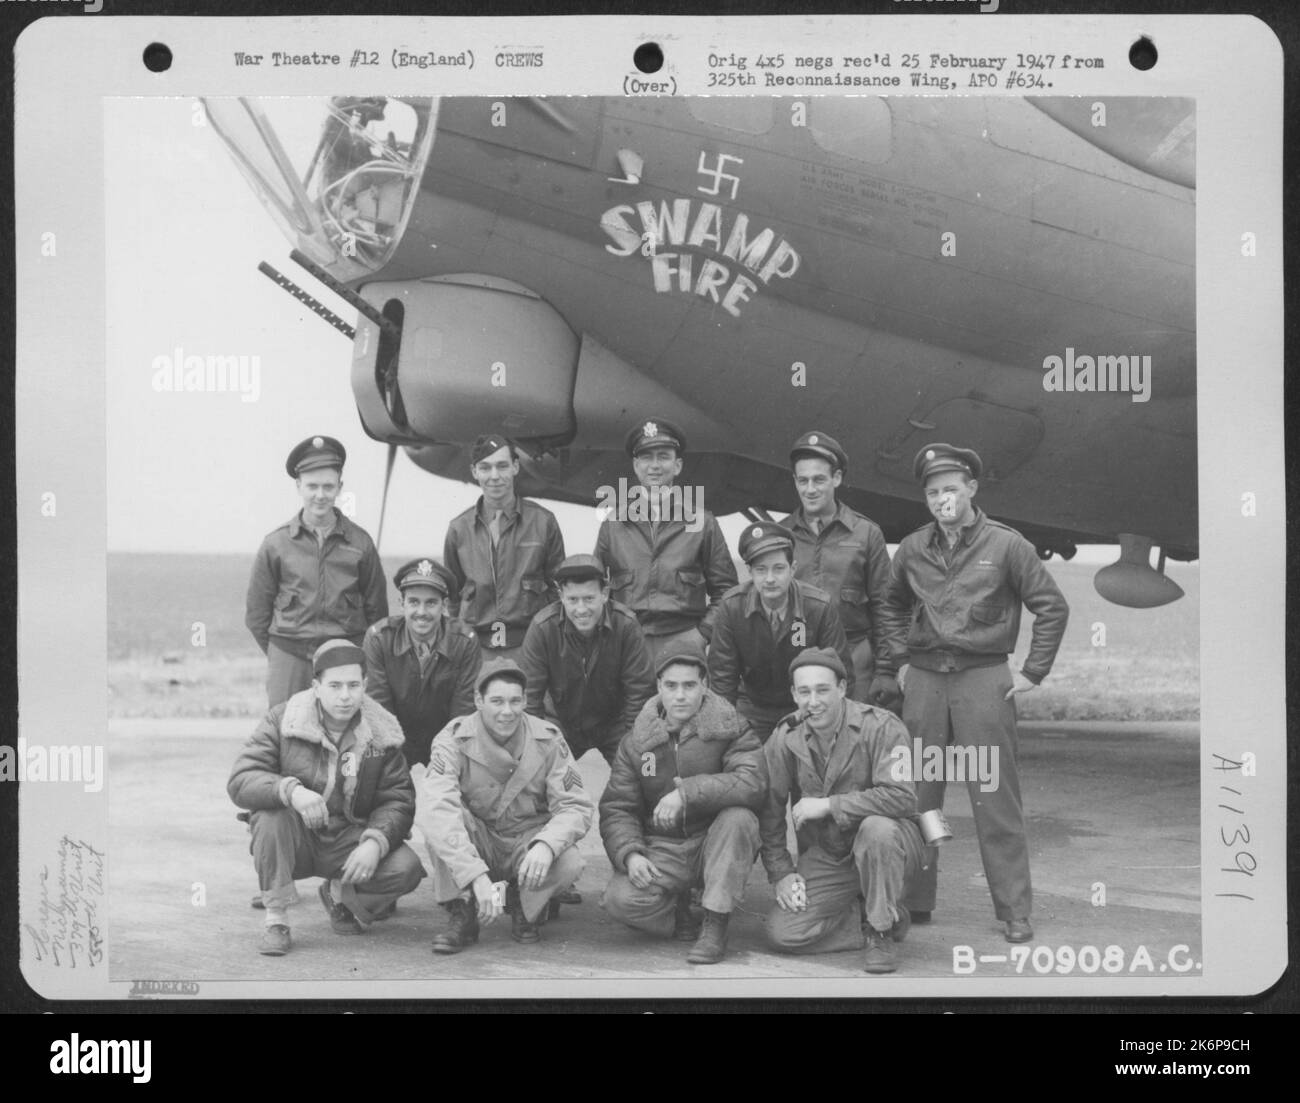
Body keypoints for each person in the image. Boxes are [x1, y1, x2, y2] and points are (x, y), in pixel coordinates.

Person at [879, 444, 1069, 944]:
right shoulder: (914, 547)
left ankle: (1013, 910)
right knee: (918, 793)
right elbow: (891, 605)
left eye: (951, 489)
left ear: (971, 490)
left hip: (983, 678)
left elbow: (1051, 606)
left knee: (993, 796)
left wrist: (1032, 673)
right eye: (933, 491)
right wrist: (900, 661)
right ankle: (915, 900)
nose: (943, 498)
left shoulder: (1007, 546)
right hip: (923, 679)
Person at [228, 640, 424, 956]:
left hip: (349, 838)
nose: (345, 696)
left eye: (353, 685)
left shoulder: (382, 733)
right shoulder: (283, 720)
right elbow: (241, 779)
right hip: (298, 839)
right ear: (316, 687)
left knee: (406, 867)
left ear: (365, 685)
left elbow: (398, 799)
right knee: (268, 817)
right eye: (334, 685)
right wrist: (292, 791)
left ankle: (340, 894)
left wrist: (375, 843)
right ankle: (276, 919)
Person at [599, 640, 764, 965]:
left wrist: (687, 793)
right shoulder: (636, 741)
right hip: (665, 847)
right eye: (671, 685)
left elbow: (752, 782)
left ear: (704, 685)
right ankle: (680, 911)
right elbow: (618, 807)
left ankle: (715, 923)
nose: (680, 694)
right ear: (659, 686)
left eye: (689, 685)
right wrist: (630, 854)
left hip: (713, 843)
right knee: (618, 901)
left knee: (740, 817)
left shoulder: (731, 728)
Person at [761, 648, 924, 974]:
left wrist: (829, 805)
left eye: (822, 689)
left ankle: (880, 931)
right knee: (783, 933)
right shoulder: (786, 735)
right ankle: (870, 917)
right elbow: (769, 808)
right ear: (793, 694)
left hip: (890, 845)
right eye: (804, 691)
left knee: (876, 829)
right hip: (832, 853)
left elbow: (903, 797)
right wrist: (781, 873)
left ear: (842, 688)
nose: (813, 701)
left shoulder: (883, 727)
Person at [419, 658, 594, 953]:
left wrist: (546, 846)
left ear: (526, 700)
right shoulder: (453, 738)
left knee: (569, 860)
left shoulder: (548, 739)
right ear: (478, 700)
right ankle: (463, 910)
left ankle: (526, 907)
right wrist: (474, 874)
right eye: (497, 701)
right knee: (442, 826)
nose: (507, 711)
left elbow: (575, 805)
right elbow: (436, 807)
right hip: (480, 838)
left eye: (515, 701)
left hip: (526, 841)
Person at [245, 436, 388, 707]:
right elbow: (256, 615)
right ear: (299, 486)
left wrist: (354, 658)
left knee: (344, 737)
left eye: (328, 486)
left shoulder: (360, 543)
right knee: (286, 734)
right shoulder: (275, 544)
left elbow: (377, 615)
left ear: (340, 487)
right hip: (290, 656)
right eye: (312, 486)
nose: (320, 495)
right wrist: (281, 655)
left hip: (343, 658)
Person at [594, 416, 737, 670]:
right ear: (636, 466)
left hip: (683, 639)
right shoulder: (613, 524)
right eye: (647, 458)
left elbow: (726, 591)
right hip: (626, 641)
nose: (655, 466)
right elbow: (595, 588)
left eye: (663, 456)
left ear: (678, 465)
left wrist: (702, 634)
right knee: (630, 710)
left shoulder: (702, 523)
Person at [707, 520, 855, 741]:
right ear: (749, 571)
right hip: (751, 708)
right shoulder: (731, 607)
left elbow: (842, 673)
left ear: (793, 568)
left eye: (778, 569)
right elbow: (722, 680)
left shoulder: (818, 607)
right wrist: (725, 734)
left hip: (805, 706)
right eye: (760, 570)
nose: (769, 579)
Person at [780, 431, 897, 709]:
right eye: (803, 480)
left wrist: (886, 670)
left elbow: (885, 607)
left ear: (837, 478)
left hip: (855, 656)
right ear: (795, 482)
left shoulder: (866, 533)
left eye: (819, 479)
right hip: (797, 655)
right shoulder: (781, 535)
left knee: (856, 740)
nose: (810, 489)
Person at [519, 554, 655, 768]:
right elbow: (530, 697)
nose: (581, 609)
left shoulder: (626, 625)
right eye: (573, 600)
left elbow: (639, 693)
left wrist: (634, 747)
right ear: (561, 596)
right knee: (532, 775)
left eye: (589, 599)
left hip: (615, 725)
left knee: (647, 773)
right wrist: (535, 747)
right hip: (562, 723)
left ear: (605, 594)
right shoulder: (542, 627)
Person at [443, 434, 565, 665]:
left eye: (502, 466)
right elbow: (453, 595)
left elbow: (558, 589)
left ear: (516, 467)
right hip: (475, 648)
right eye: (485, 468)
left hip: (530, 646)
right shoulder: (458, 529)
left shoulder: (543, 522)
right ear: (474, 472)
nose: (495, 476)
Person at [363, 557, 481, 769]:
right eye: (414, 602)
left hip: (446, 748)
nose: (422, 612)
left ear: (444, 605)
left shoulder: (465, 642)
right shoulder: (379, 639)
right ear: (401, 604)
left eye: (431, 603)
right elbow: (380, 712)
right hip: (392, 746)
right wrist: (399, 768)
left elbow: (462, 715)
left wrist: (442, 761)